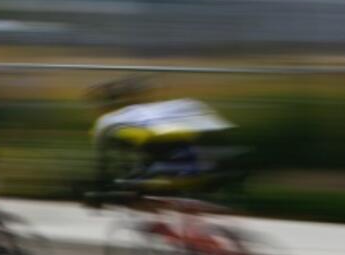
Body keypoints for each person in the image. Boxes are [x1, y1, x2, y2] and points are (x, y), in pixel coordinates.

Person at [86, 77, 235, 193]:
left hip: (170, 149)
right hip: (193, 140)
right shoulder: (146, 110)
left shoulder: (110, 120)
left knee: (155, 169)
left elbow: (102, 154)